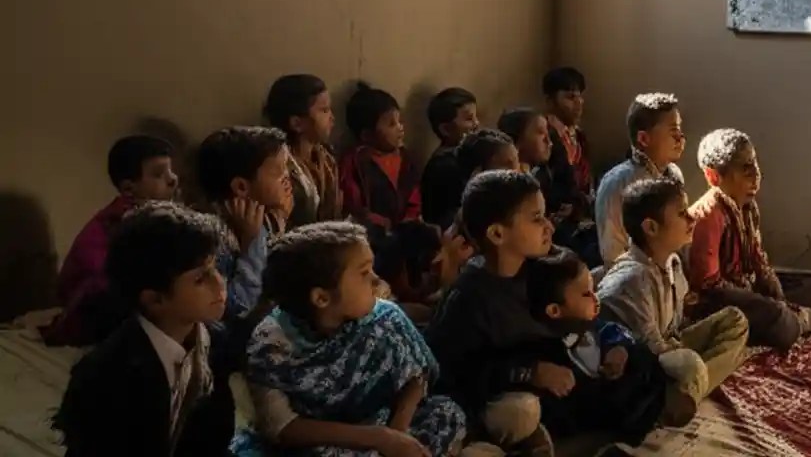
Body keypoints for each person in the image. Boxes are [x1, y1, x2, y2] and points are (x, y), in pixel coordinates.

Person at [231, 222, 469, 457]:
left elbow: (417, 375)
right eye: (364, 273)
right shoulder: (271, 344)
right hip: (328, 438)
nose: (376, 280)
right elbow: (283, 427)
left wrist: (398, 432)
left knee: (445, 413)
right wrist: (379, 438)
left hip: (382, 420)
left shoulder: (385, 317)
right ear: (322, 298)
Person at [54, 203, 239, 457]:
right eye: (199, 278)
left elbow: (214, 439)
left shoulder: (215, 342)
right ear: (154, 299)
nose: (220, 283)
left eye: (215, 268)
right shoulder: (105, 375)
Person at [597, 178, 749, 427]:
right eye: (681, 213)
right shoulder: (631, 280)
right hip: (640, 366)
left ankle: (686, 394)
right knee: (690, 364)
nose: (692, 219)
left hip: (667, 346)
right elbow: (650, 348)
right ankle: (674, 399)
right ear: (651, 227)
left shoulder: (672, 262)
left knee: (735, 320)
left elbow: (674, 328)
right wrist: (681, 353)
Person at [427, 171, 558, 455]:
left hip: (539, 390)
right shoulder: (468, 298)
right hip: (480, 404)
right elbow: (456, 376)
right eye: (536, 219)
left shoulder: (542, 270)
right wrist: (528, 373)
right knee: (521, 411)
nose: (549, 226)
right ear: (497, 233)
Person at [687, 129, 811, 350]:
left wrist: (771, 283)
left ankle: (786, 316)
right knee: (775, 314)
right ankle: (803, 320)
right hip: (718, 303)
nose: (756, 174)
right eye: (745, 168)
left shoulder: (748, 206)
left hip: (746, 285)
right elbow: (709, 287)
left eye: (755, 164)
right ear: (714, 177)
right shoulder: (707, 216)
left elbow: (757, 256)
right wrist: (764, 302)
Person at [44, 135, 180, 346]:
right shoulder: (118, 223)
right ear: (128, 189)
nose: (172, 179)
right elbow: (104, 283)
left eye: (171, 170)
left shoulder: (156, 214)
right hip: (91, 309)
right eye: (158, 174)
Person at [523, 250, 667, 445]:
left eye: (594, 289)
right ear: (555, 310)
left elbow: (618, 333)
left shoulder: (593, 326)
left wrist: (618, 346)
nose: (595, 298)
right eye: (586, 294)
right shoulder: (549, 356)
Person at [197, 126, 294, 319]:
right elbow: (240, 307)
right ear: (241, 187)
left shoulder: (266, 216)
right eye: (278, 172)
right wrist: (253, 243)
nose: (287, 178)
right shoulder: (215, 235)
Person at [499, 107, 601, 267]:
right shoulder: (510, 186)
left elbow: (573, 196)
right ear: (516, 142)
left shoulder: (545, 171)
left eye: (548, 133)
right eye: (540, 133)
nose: (549, 141)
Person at [595, 93, 685, 268]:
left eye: (680, 130)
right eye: (673, 131)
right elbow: (613, 252)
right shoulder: (617, 183)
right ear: (644, 138)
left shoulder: (674, 174)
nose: (680, 138)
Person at [339, 82, 422, 251]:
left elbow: (414, 193)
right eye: (391, 124)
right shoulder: (355, 161)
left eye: (400, 121)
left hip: (405, 228)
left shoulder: (406, 158)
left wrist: (410, 218)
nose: (400, 128)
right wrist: (374, 220)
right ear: (367, 135)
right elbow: (352, 202)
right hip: (372, 235)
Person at [263, 74, 342, 228]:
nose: (332, 117)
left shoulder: (326, 159)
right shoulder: (282, 167)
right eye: (324, 110)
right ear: (297, 123)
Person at [421, 87, 481, 229]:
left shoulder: (464, 156)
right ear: (446, 129)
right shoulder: (443, 166)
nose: (476, 124)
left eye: (476, 117)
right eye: (468, 118)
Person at [542, 67, 594, 219]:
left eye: (580, 96)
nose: (579, 103)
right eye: (570, 97)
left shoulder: (580, 137)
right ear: (550, 101)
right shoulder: (544, 135)